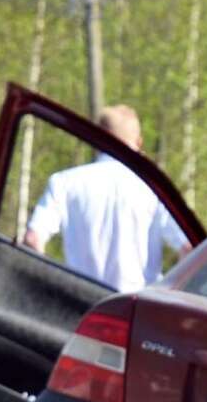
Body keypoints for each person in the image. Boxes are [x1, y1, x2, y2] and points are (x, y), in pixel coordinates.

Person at [22, 105, 191, 293]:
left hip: (79, 303)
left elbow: (33, 239)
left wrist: (47, 292)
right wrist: (170, 293)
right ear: (139, 142)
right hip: (138, 304)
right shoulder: (155, 189)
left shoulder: (65, 183)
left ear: (97, 140)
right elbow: (188, 248)